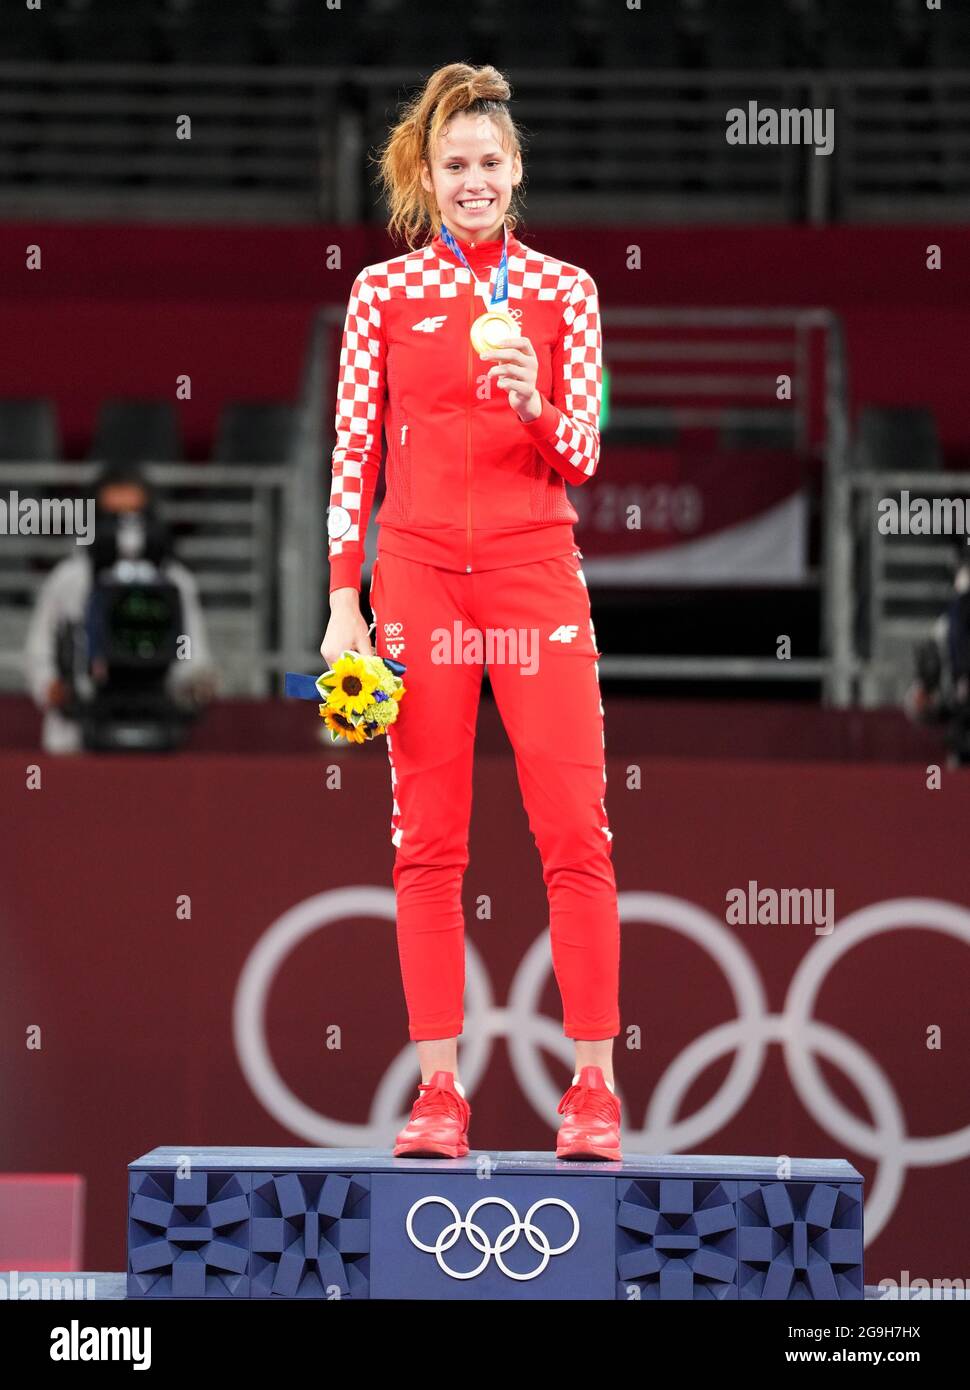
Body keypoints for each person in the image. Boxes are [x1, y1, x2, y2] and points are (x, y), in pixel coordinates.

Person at [320, 63, 622, 1160]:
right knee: (426, 844)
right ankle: (438, 1090)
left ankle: (591, 1086)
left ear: (517, 170)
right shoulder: (383, 297)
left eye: (491, 164)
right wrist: (342, 605)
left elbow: (582, 457)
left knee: (574, 833)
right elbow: (352, 454)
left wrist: (532, 393)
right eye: (456, 166)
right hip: (415, 579)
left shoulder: (566, 292)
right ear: (432, 177)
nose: (474, 181)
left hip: (535, 576)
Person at [24, 464, 218, 754]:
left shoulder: (175, 581)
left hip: (157, 730)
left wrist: (194, 685)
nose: (125, 528)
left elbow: (190, 652)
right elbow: (39, 653)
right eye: (113, 517)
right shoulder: (69, 579)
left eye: (134, 516)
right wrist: (53, 689)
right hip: (76, 738)